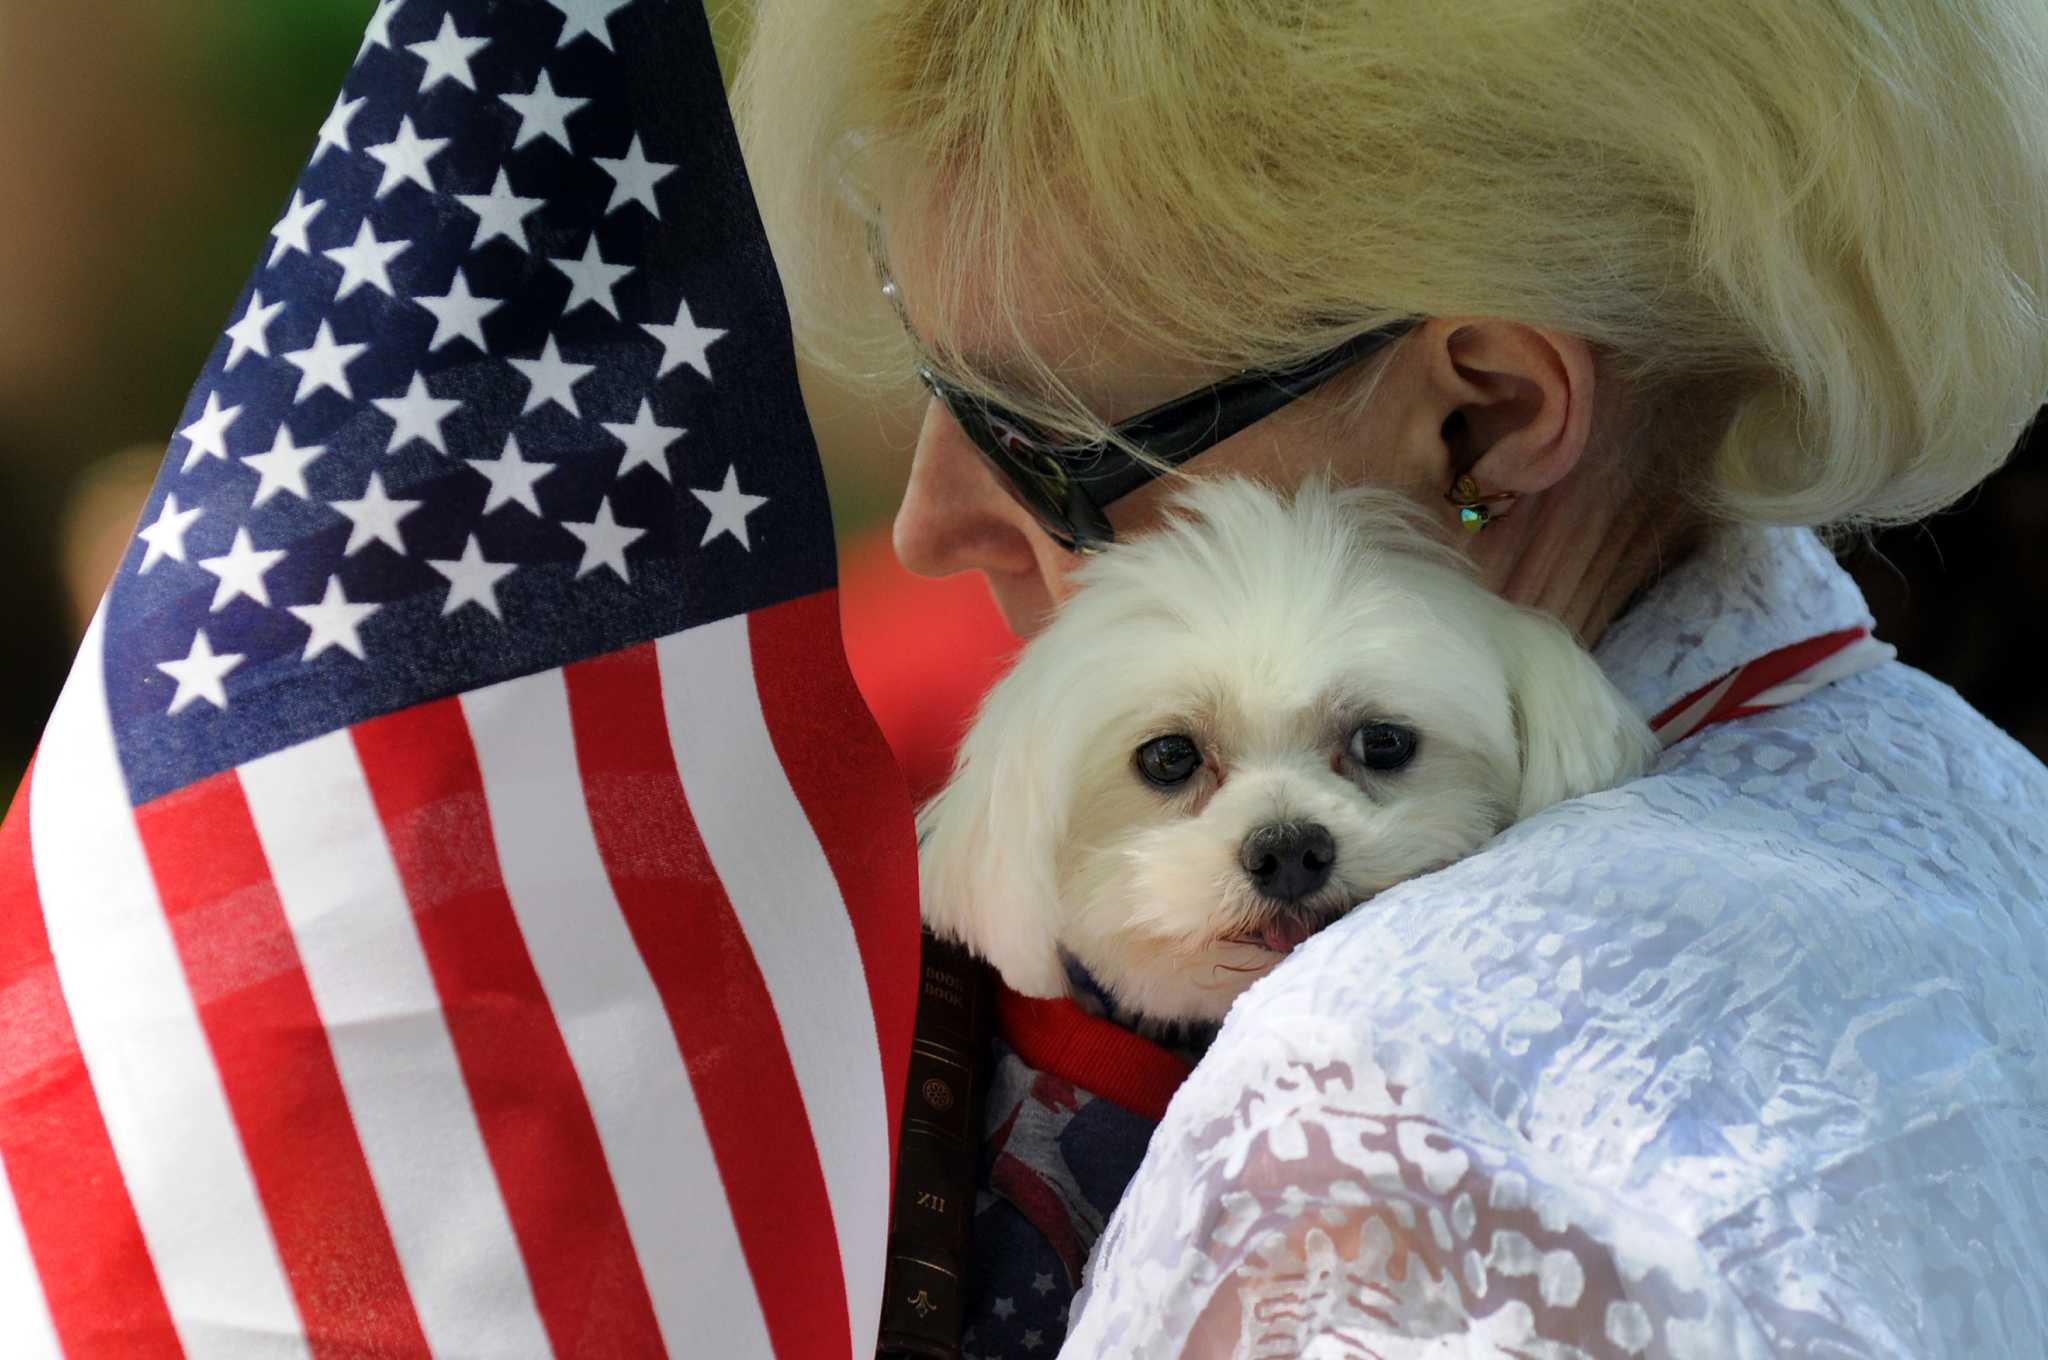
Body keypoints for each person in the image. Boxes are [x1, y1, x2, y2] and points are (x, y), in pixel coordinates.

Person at [734, 2, 2048, 1354]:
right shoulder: (1993, 827)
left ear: (1486, 417)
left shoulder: (1372, 1120)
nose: (928, 523)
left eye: (1048, 442)